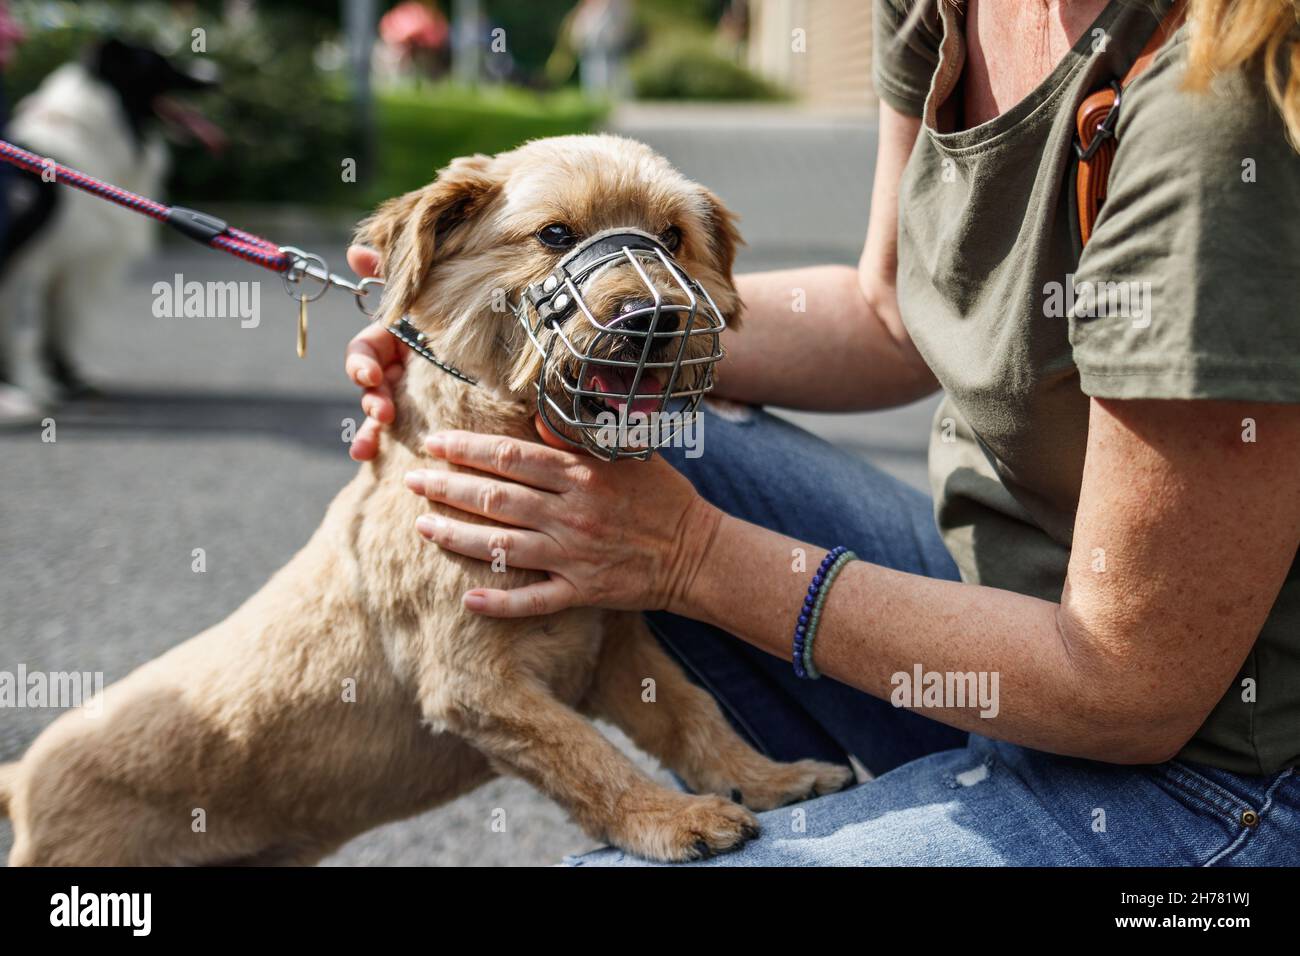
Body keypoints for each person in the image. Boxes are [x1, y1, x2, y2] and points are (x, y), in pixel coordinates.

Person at [341, 0, 1300, 865]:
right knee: (618, 438)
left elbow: (1130, 690)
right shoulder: (944, 8)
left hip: (1205, 776)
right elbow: (890, 316)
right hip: (995, 613)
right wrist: (518, 338)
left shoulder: (1213, 123)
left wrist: (689, 554)